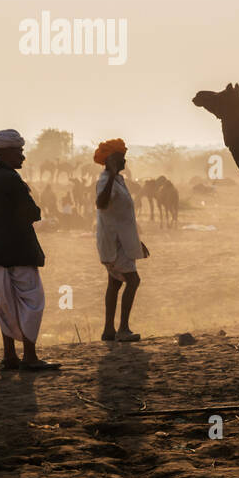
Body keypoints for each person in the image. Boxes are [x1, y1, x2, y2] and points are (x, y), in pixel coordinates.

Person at [0, 129, 60, 371]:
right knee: (31, 301)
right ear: (4, 152)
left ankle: (10, 355)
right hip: (19, 250)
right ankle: (30, 356)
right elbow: (33, 213)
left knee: (5, 303)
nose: (23, 157)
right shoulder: (12, 179)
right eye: (19, 152)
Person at [94, 139, 148, 342]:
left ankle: (109, 330)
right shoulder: (105, 180)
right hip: (114, 242)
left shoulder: (118, 180)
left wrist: (137, 241)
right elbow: (101, 203)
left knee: (115, 283)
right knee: (133, 280)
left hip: (122, 240)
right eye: (121, 159)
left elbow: (125, 216)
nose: (125, 163)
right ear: (113, 161)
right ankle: (123, 329)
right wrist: (111, 173)